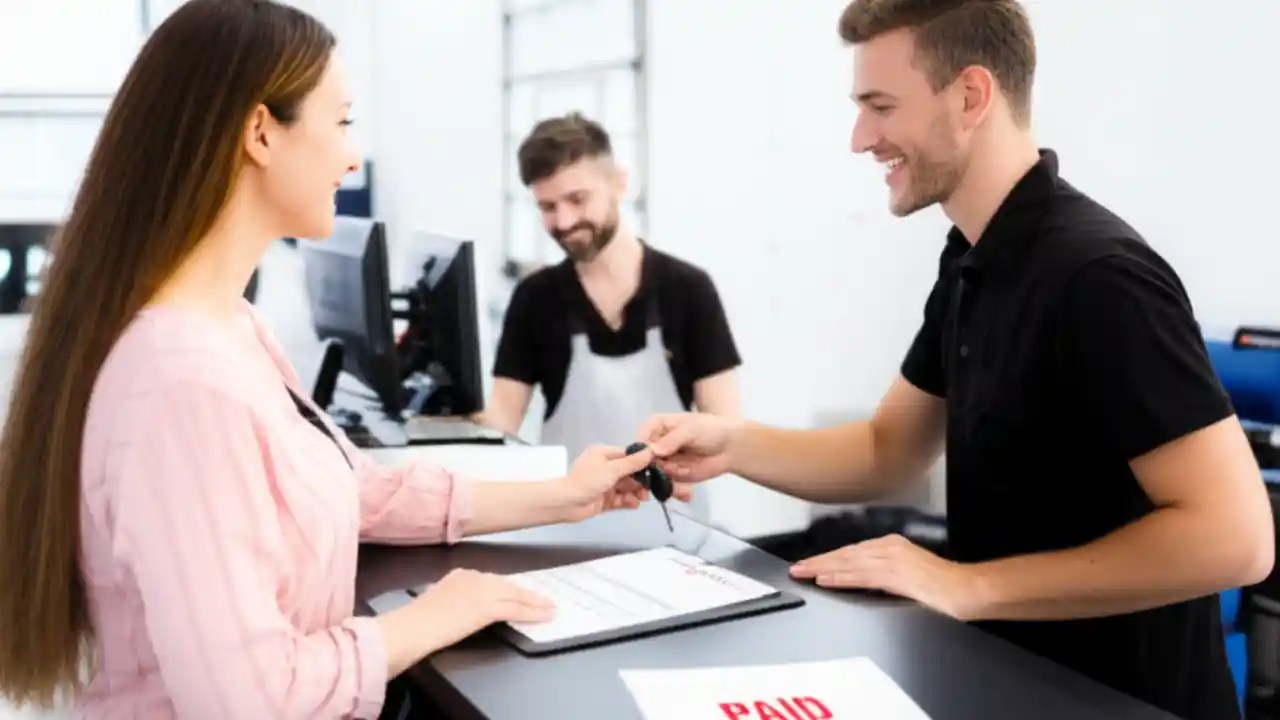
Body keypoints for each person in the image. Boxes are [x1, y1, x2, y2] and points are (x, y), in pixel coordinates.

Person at [0, 2, 664, 718]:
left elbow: (355, 489)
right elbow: (252, 702)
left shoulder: (230, 325)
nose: (352, 157)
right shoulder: (181, 384)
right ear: (260, 133)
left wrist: (564, 495)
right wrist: (436, 615)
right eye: (342, 122)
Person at [638, 1, 1274, 718]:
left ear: (971, 96)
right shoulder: (972, 256)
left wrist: (967, 584)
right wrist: (732, 445)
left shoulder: (1100, 276)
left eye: (881, 107)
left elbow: (1237, 539)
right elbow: (888, 450)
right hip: (1010, 681)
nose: (860, 138)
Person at [477, 113, 742, 462]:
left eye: (578, 199)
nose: (564, 221)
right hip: (567, 498)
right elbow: (501, 423)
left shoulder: (690, 290)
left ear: (619, 183)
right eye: (548, 206)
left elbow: (727, 434)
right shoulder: (534, 298)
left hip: (673, 496)